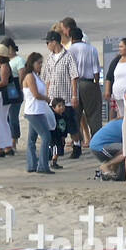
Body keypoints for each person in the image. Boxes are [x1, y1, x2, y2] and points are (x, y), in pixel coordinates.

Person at [41, 29, 80, 157]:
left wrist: (74, 95)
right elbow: (47, 79)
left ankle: (77, 146)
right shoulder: (49, 59)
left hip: (66, 97)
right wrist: (47, 97)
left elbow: (74, 76)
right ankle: (57, 148)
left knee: (70, 124)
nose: (47, 46)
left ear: (54, 42)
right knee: (55, 125)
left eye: (48, 42)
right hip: (53, 98)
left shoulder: (68, 56)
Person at [22, 52, 54, 174]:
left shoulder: (36, 76)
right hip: (33, 111)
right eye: (38, 63)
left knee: (32, 139)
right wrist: (46, 99)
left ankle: (32, 165)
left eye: (41, 63)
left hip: (38, 110)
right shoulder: (30, 76)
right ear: (32, 63)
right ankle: (43, 165)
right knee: (46, 137)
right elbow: (35, 94)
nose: (41, 65)